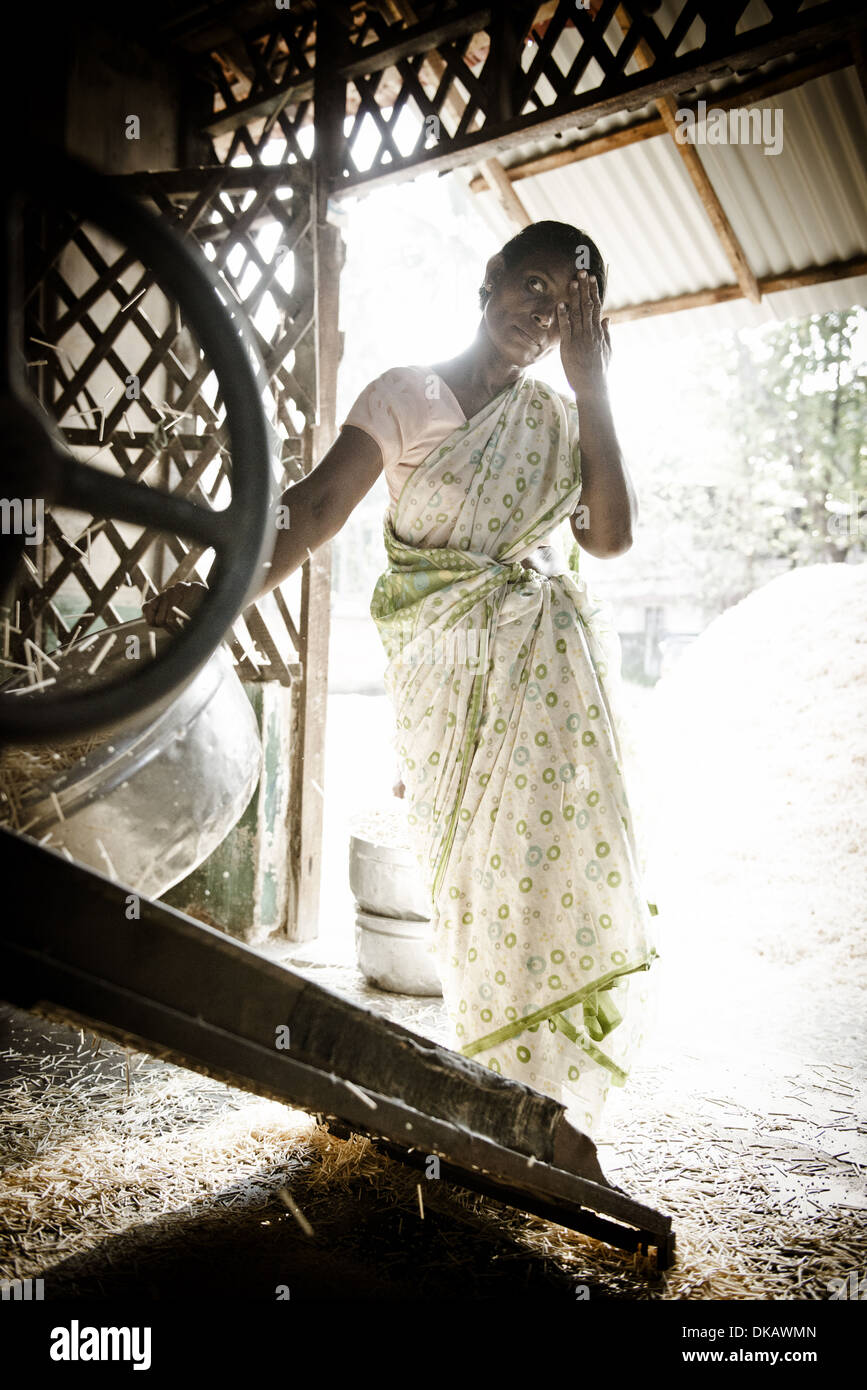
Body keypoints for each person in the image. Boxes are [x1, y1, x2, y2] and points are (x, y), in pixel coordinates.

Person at [145, 220, 659, 1177]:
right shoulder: (406, 393)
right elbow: (314, 510)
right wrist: (215, 589)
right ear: (491, 277)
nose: (541, 313)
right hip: (445, 682)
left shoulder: (556, 413)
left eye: (567, 303)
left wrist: (595, 390)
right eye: (532, 285)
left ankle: (539, 1110)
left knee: (546, 880)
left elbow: (607, 536)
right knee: (477, 885)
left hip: (543, 686)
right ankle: (505, 1108)